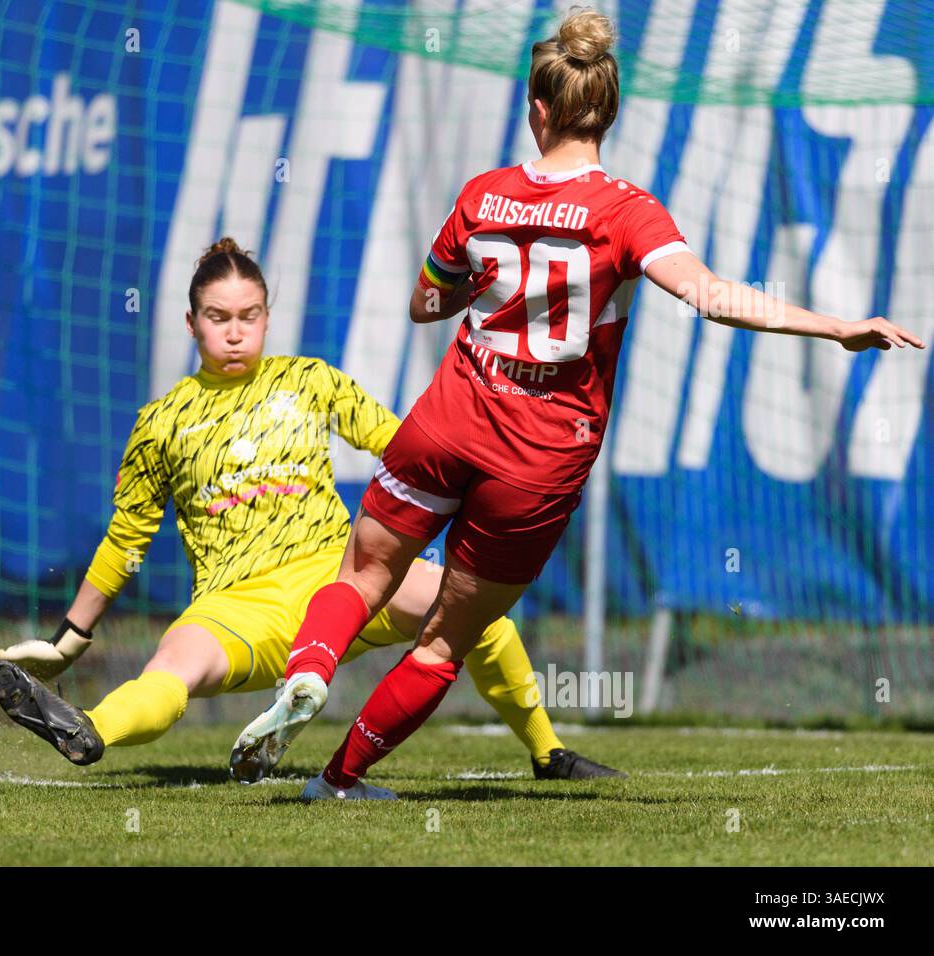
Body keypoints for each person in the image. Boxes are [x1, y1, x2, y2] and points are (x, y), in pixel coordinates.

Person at [234, 7, 926, 802]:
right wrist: (836, 325)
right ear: (611, 109)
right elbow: (710, 297)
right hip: (539, 454)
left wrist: (472, 287)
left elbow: (427, 303)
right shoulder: (627, 211)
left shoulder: (484, 195)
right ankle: (339, 780)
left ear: (537, 109)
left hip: (450, 413)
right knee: (445, 641)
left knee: (361, 576)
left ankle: (310, 673)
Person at [0, 237, 621, 781]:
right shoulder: (161, 422)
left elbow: (404, 444)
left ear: (267, 315)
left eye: (249, 314)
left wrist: (491, 469)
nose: (235, 330)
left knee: (473, 611)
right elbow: (126, 541)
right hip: (236, 605)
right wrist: (69, 642)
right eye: (217, 316)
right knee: (170, 670)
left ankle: (549, 753)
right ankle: (87, 731)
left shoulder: (308, 381)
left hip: (341, 580)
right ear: (190, 322)